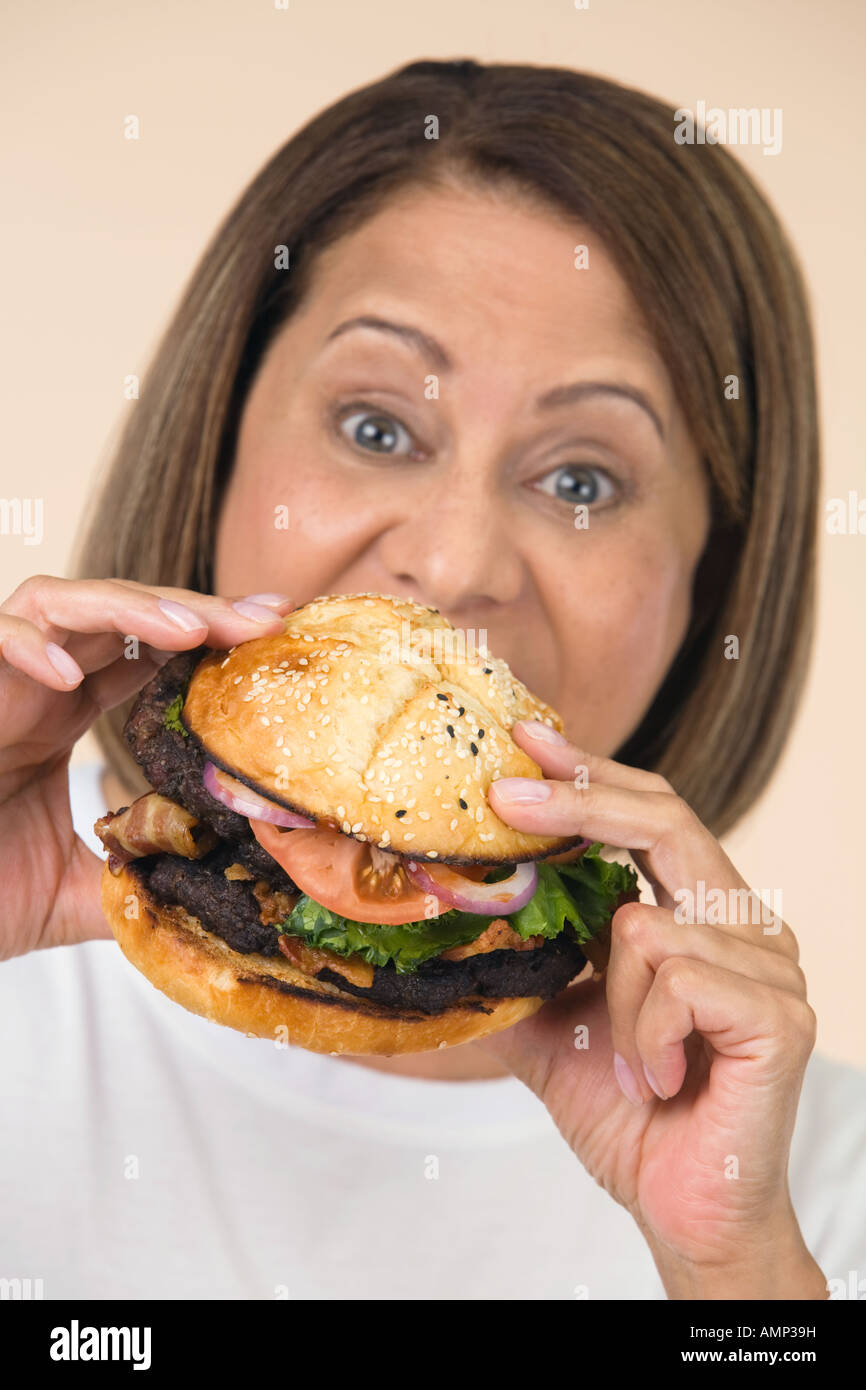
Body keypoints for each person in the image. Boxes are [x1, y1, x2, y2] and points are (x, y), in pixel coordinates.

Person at [1, 59, 864, 1302]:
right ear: (219, 435)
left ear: (710, 584)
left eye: (581, 481)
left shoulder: (802, 1185)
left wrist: (729, 1267)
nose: (450, 566)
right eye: (376, 427)